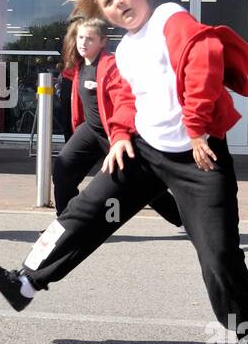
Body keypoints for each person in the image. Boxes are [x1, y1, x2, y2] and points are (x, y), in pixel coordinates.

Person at [0, 0, 248, 344]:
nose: (119, 2)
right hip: (144, 153)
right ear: (105, 13)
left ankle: (246, 331)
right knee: (82, 213)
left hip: (199, 156)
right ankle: (26, 282)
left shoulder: (170, 17)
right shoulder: (127, 51)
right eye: (109, 0)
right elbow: (127, 100)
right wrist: (118, 136)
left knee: (219, 252)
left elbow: (203, 62)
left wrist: (198, 129)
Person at [53, 16, 184, 230]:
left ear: (103, 42)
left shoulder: (111, 66)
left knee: (140, 185)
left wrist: (121, 135)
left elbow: (125, 100)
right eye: (81, 38)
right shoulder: (77, 66)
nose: (84, 43)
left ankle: (183, 219)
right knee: (63, 168)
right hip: (89, 131)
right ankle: (64, 224)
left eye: (90, 39)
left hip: (113, 132)